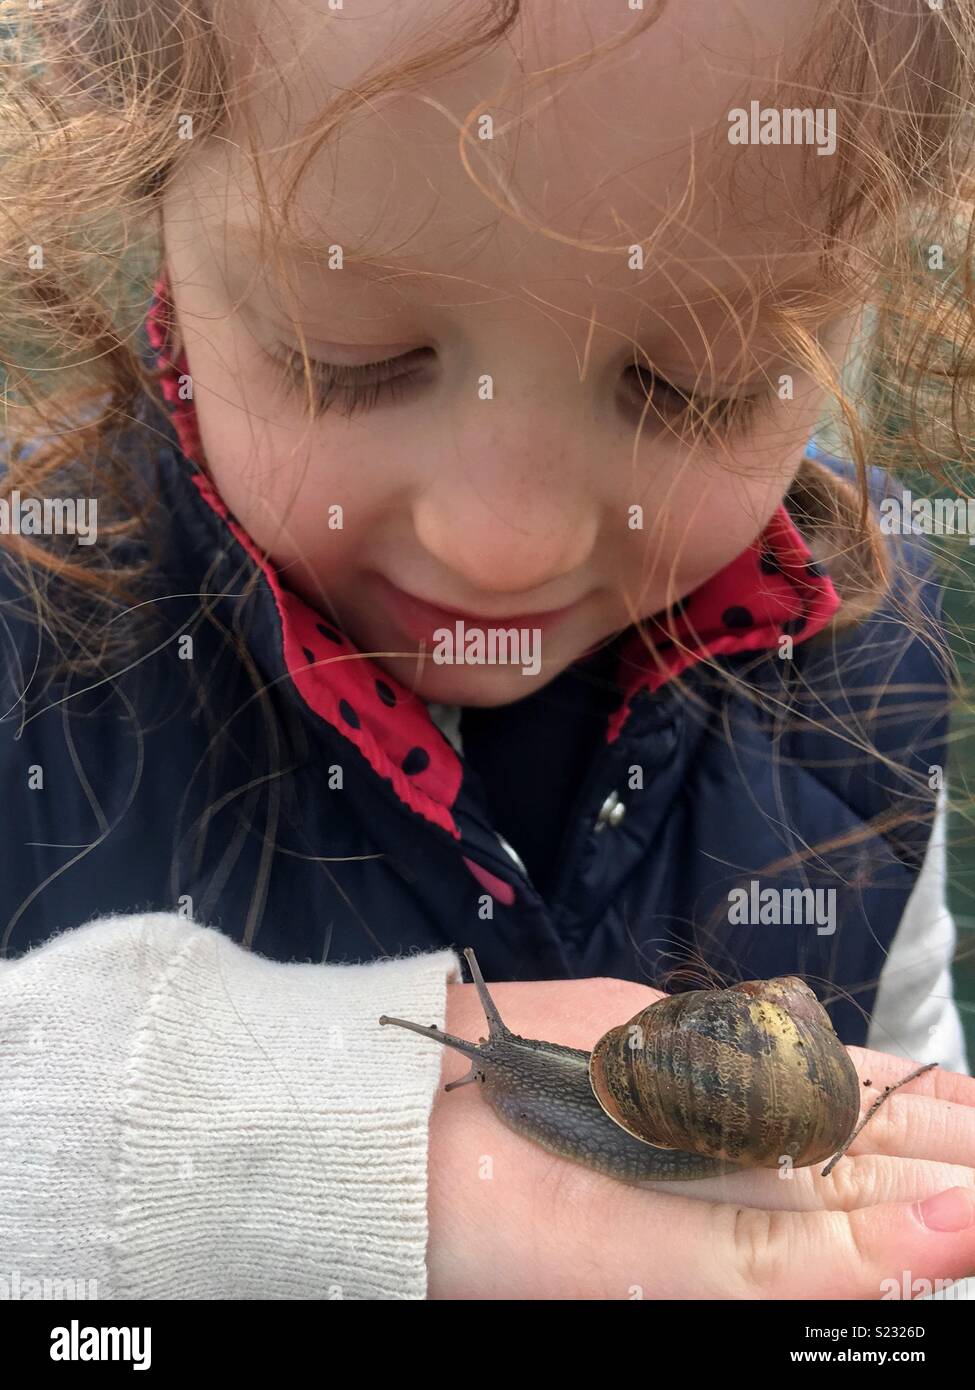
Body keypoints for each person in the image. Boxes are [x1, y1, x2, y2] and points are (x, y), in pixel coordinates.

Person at [0, 0, 973, 1300]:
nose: (500, 544)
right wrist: (257, 1152)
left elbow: (909, 1109)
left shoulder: (865, 663)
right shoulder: (37, 655)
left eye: (701, 385)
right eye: (343, 355)